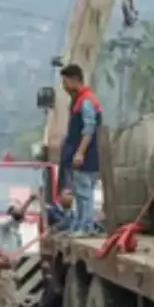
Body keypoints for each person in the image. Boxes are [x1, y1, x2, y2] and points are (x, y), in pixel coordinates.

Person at [59, 64, 102, 234]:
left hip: (86, 156)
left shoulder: (86, 100)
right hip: (84, 155)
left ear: (74, 80)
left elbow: (89, 128)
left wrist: (80, 152)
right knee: (81, 192)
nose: (64, 86)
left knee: (85, 193)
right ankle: (81, 224)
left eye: (65, 82)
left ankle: (86, 226)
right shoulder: (80, 100)